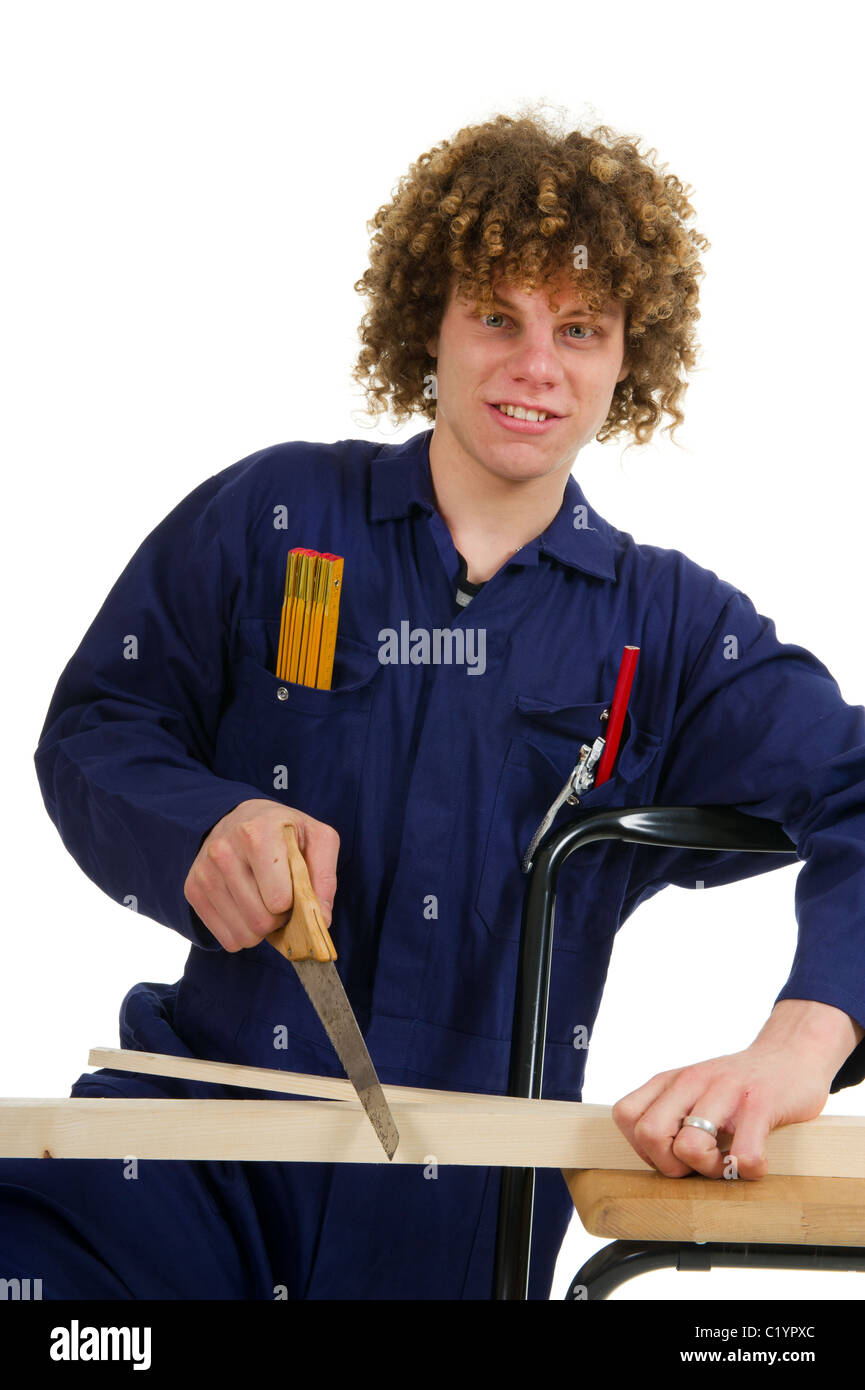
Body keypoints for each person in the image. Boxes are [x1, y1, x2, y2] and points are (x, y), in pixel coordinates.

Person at [2, 107, 864, 1301]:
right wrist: (204, 823)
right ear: (431, 325)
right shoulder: (278, 516)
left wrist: (796, 1049)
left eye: (579, 327)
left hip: (453, 1225)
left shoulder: (671, 631)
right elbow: (98, 725)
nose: (534, 363)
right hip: (179, 1165)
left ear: (629, 360)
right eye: (495, 316)